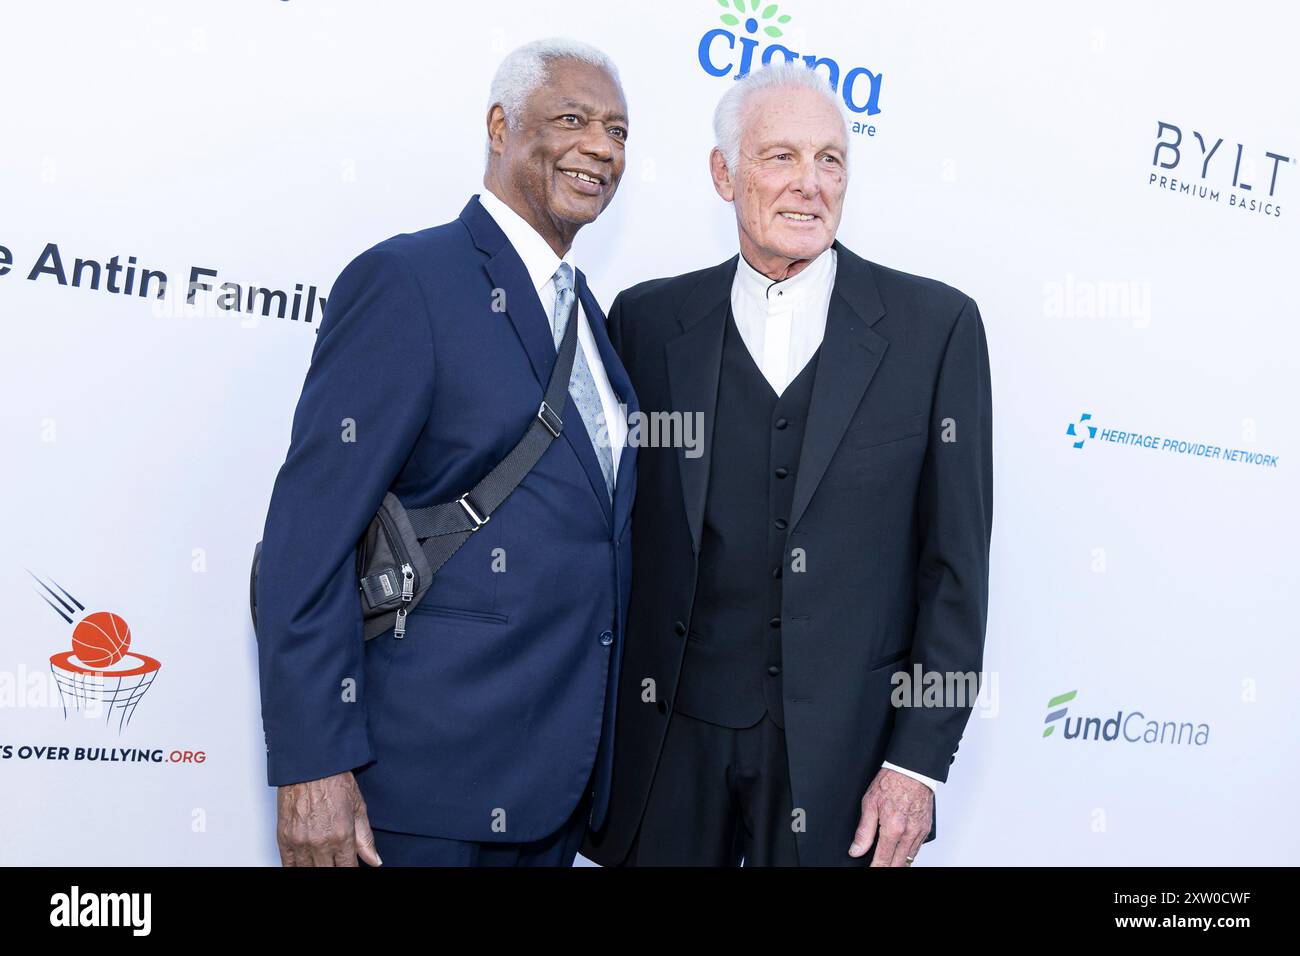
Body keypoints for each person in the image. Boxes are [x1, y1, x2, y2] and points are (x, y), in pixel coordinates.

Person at [582, 63, 993, 867]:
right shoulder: (647, 318)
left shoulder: (934, 329)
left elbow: (956, 571)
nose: (811, 185)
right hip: (668, 750)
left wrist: (915, 764)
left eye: (831, 160)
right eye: (780, 158)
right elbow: (605, 539)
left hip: (843, 761)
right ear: (724, 173)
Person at [254, 37, 637, 866]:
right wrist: (314, 763)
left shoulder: (588, 319)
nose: (601, 147)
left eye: (617, 130)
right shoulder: (408, 281)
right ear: (500, 127)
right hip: (419, 791)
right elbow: (304, 542)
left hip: (553, 790)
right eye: (572, 118)